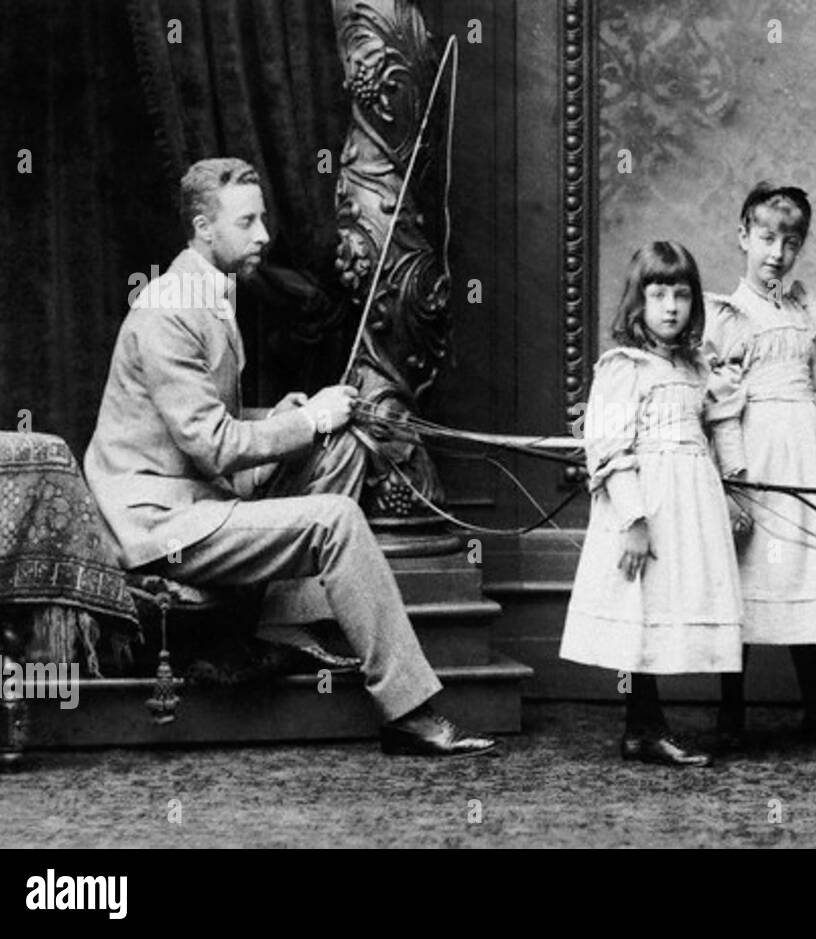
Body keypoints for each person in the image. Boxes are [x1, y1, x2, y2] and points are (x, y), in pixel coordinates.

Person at [83, 157, 495, 757]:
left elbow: (198, 427)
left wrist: (280, 418)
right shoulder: (169, 310)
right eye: (247, 222)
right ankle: (408, 710)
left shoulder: (208, 293)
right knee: (335, 519)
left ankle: (281, 623)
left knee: (344, 444)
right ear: (203, 227)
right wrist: (302, 421)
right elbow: (213, 446)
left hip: (197, 496)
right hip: (160, 523)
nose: (264, 236)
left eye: (263, 219)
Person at [703, 182, 816, 750]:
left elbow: (815, 384)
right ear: (743, 237)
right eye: (767, 238)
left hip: (806, 448)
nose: (777, 253)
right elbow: (721, 402)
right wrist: (734, 479)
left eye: (790, 241)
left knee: (804, 567)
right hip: (758, 453)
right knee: (749, 577)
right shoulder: (728, 315)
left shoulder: (804, 310)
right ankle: (731, 712)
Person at [560, 241, 744, 768]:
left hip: (693, 502)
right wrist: (634, 520)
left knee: (668, 604)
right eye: (658, 294)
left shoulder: (694, 367)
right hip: (648, 503)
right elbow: (610, 447)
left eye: (681, 295)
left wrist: (735, 488)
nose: (670, 307)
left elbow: (720, 422)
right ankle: (644, 725)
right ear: (637, 302)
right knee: (640, 608)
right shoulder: (625, 367)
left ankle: (644, 729)